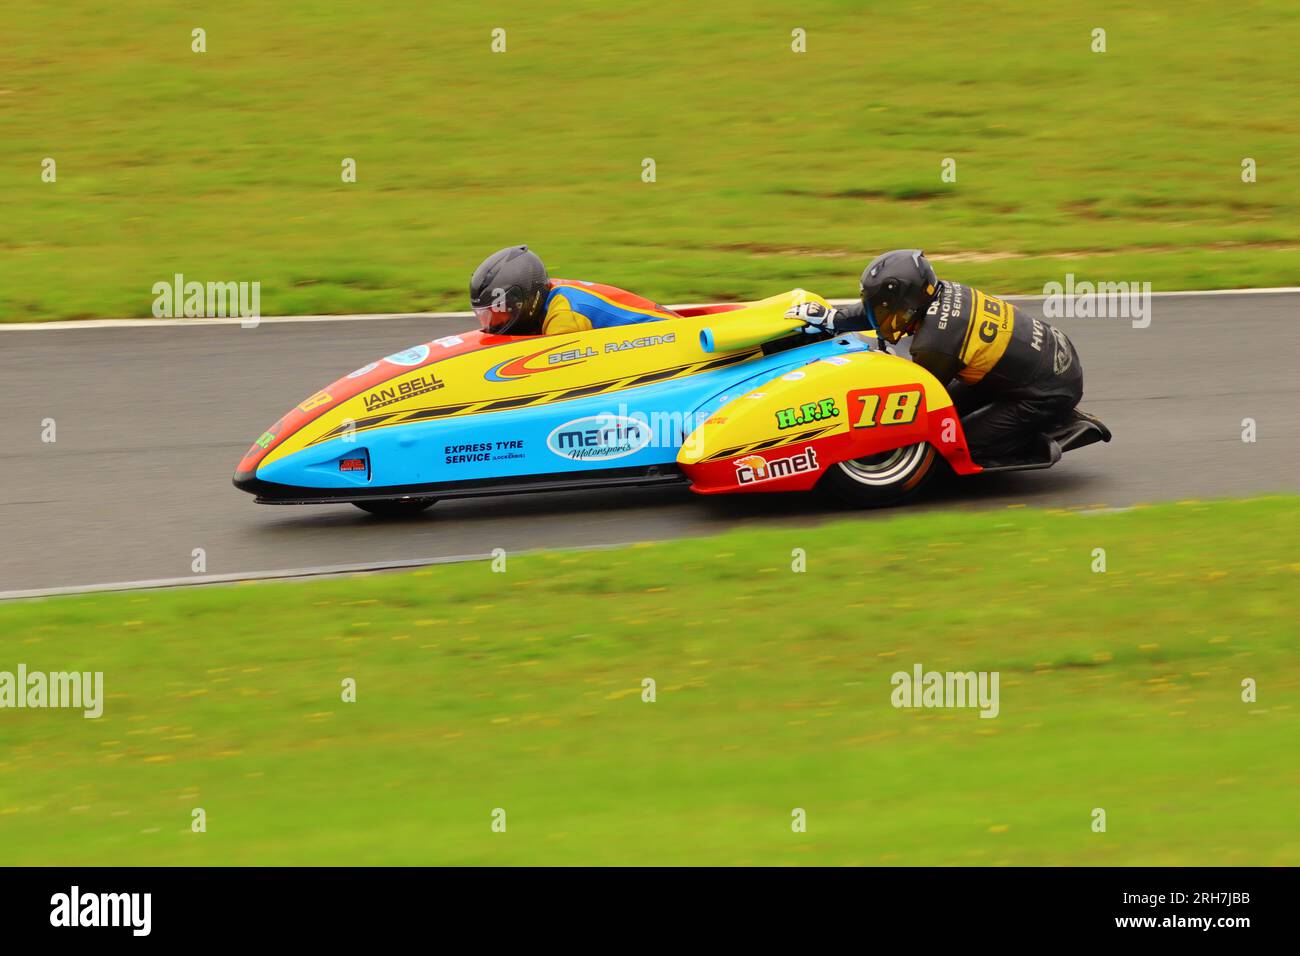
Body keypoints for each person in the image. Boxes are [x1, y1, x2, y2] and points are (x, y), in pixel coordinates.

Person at [792, 249, 1085, 467]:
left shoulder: (935, 343)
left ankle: (1036, 430)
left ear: (908, 302)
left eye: (884, 309)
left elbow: (913, 399)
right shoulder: (938, 291)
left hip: (1048, 389)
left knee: (954, 446)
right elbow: (873, 312)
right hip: (1042, 356)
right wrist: (832, 318)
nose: (879, 316)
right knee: (953, 413)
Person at [469, 245, 677, 335]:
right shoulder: (545, 291)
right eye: (485, 316)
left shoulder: (564, 317)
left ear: (525, 303)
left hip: (670, 341)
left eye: (498, 315)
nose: (491, 325)